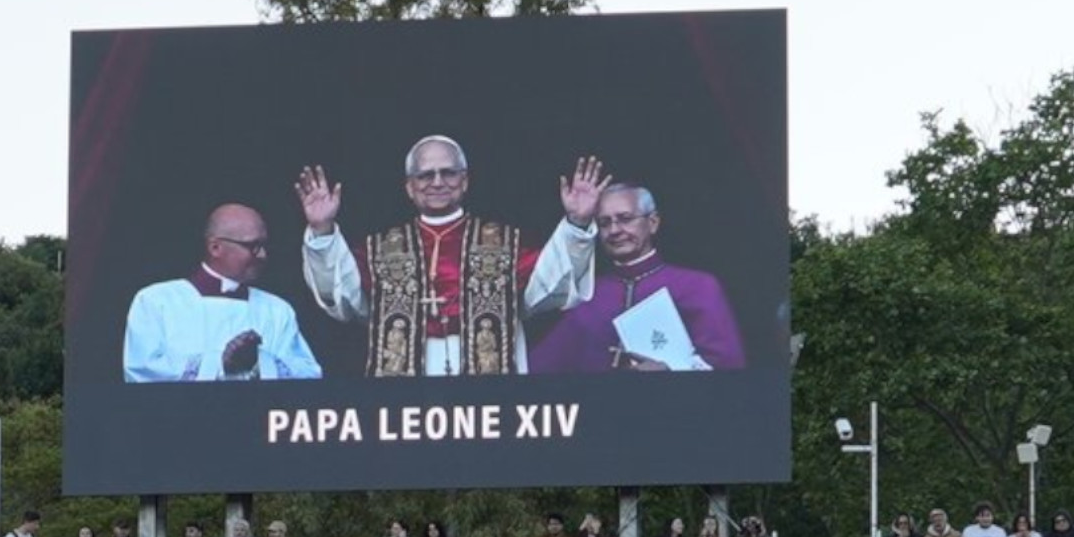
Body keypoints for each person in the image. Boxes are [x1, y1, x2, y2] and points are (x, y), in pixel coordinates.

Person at [295, 139, 602, 376]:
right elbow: (343, 300)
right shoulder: (379, 249)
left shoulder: (509, 244)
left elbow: (550, 287)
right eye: (426, 175)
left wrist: (576, 225)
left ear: (465, 181)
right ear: (410, 187)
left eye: (448, 173)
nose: (438, 182)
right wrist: (322, 230)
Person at [531, 183, 745, 372]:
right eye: (604, 223)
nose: (614, 230)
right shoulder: (588, 296)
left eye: (625, 219)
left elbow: (728, 368)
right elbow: (540, 368)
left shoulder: (698, 287)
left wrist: (672, 372)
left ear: (652, 222)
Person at [125, 203, 322, 382]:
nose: (263, 255)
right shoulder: (156, 301)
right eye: (253, 246)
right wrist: (220, 363)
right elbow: (141, 372)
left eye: (263, 246)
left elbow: (308, 375)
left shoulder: (277, 310)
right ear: (215, 247)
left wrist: (259, 362)